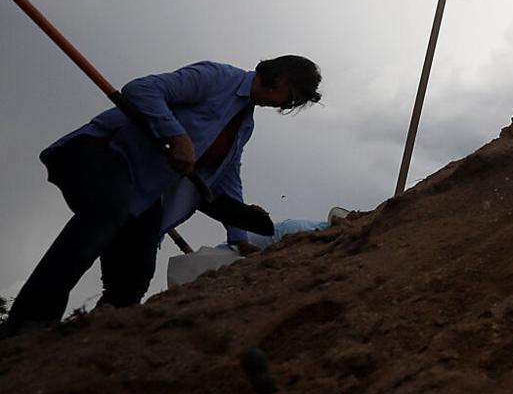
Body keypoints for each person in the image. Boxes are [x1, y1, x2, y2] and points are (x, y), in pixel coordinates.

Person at [0, 56, 321, 339]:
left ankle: (93, 339)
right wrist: (176, 135)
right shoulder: (218, 77)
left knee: (134, 273)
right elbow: (141, 89)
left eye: (291, 105)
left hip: (142, 189)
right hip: (105, 153)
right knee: (105, 213)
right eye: (290, 98)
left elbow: (226, 177)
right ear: (279, 76)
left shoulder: (244, 125)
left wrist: (239, 237)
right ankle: (29, 322)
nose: (283, 106)